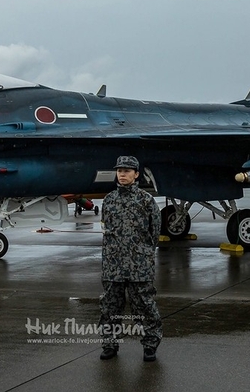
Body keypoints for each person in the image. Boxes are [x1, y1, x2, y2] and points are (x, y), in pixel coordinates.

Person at [98, 155, 163, 362]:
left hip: (139, 266)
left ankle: (150, 345)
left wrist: (141, 252)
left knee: (144, 306)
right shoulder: (109, 200)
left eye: (127, 171)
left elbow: (155, 232)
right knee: (110, 307)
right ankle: (109, 344)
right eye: (119, 171)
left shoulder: (146, 200)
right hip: (113, 265)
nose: (122, 174)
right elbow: (105, 229)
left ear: (136, 174)